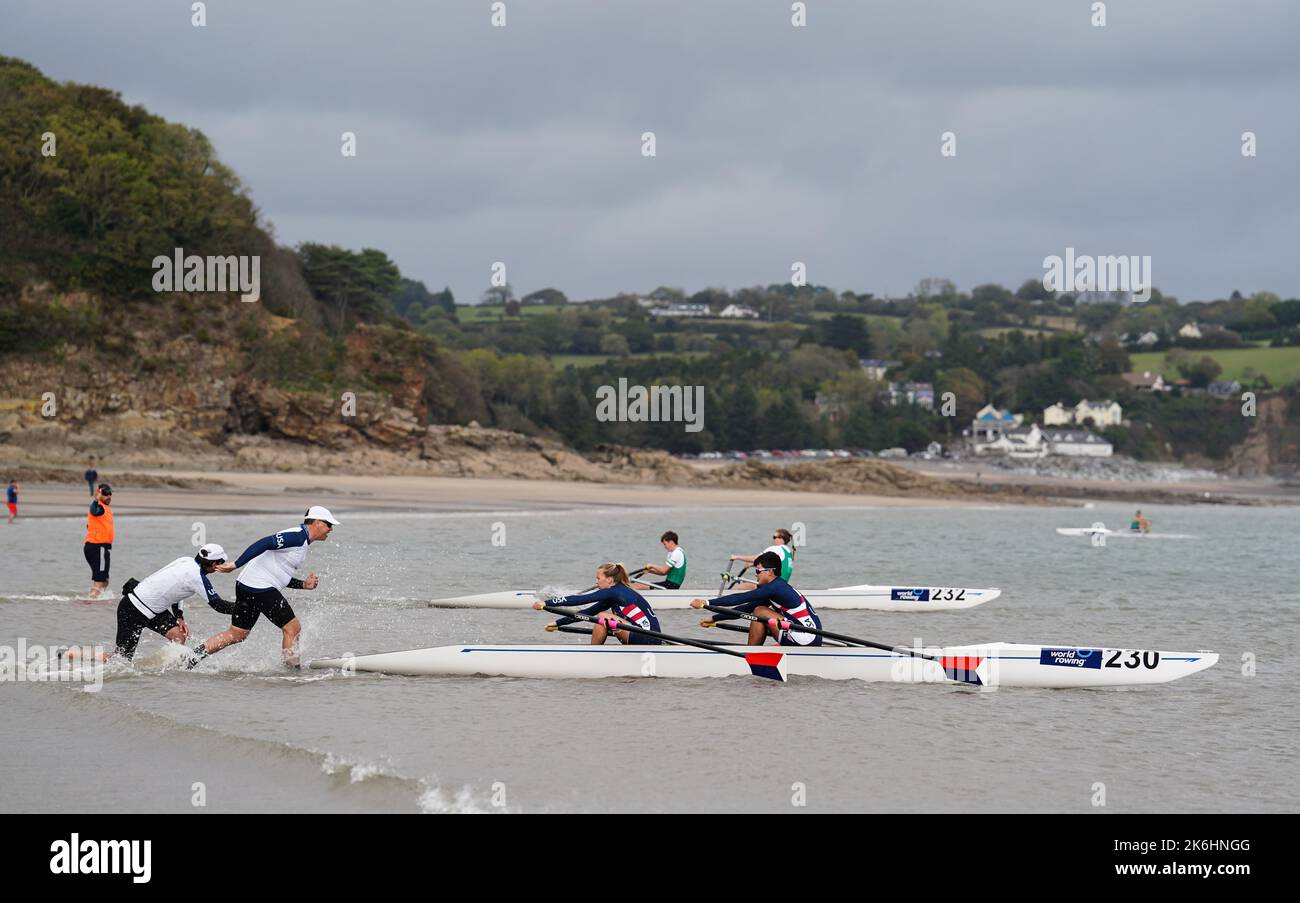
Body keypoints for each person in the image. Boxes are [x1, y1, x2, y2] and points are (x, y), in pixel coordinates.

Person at [189, 506, 340, 668]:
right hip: (259, 587)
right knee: (293, 628)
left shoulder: (302, 542)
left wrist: (304, 585)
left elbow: (278, 574)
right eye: (328, 524)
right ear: (317, 522)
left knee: (237, 634)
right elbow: (265, 542)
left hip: (246, 585)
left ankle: (191, 658)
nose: (330, 529)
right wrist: (235, 564)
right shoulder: (297, 536)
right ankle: (292, 674)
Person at [61, 544, 235, 664]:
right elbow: (218, 605)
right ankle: (73, 654)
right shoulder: (197, 577)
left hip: (154, 610)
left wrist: (179, 616)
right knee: (121, 660)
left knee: (179, 636)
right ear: (214, 564)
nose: (223, 566)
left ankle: (167, 668)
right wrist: (247, 606)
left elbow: (178, 589)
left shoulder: (187, 561)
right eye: (221, 563)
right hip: (132, 608)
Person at [690, 550, 821, 647]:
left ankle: (752, 653)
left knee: (760, 611)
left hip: (806, 638)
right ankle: (755, 650)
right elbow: (745, 608)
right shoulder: (775, 589)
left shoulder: (774, 588)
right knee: (757, 609)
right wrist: (713, 618)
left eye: (758, 570)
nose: (755, 574)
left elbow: (742, 597)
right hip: (808, 636)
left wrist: (706, 603)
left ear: (769, 572)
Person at [534, 562, 662, 646]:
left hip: (647, 638)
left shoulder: (615, 592)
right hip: (648, 638)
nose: (596, 582)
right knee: (600, 622)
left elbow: (579, 599)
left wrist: (545, 603)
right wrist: (557, 623)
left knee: (603, 616)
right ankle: (594, 653)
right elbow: (586, 613)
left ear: (610, 580)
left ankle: (593, 655)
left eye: (598, 578)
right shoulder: (615, 594)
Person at [728, 527, 795, 590]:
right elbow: (775, 564)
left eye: (774, 537)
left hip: (773, 587)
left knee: (741, 587)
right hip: (781, 585)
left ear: (780, 538)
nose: (773, 540)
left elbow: (756, 558)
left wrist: (736, 557)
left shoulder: (777, 548)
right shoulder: (788, 552)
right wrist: (752, 565)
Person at [84, 483, 114, 599]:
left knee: (105, 581)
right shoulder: (98, 507)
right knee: (99, 580)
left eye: (110, 494)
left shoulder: (106, 509)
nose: (109, 496)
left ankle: (97, 599)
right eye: (105, 494)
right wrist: (96, 500)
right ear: (99, 494)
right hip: (97, 547)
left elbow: (89, 526)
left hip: (101, 548)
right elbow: (94, 510)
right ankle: (91, 602)